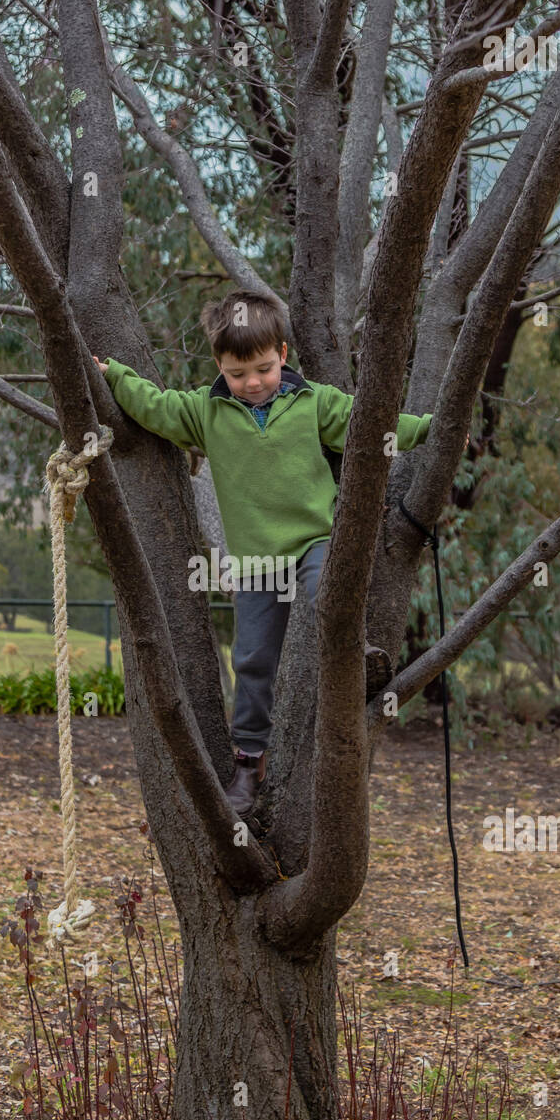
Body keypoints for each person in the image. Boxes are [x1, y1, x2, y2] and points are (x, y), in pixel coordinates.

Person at [93, 289, 433, 816]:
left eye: (263, 368)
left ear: (283, 354)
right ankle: (249, 763)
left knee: (330, 596)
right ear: (219, 367)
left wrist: (434, 427)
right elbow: (155, 409)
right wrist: (114, 374)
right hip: (254, 560)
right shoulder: (206, 412)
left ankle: (354, 659)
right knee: (251, 658)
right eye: (237, 373)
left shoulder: (314, 402)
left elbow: (372, 424)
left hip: (316, 543)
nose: (252, 382)